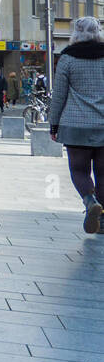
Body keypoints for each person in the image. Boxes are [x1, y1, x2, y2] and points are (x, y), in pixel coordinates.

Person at [48, 18, 104, 234]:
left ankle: (90, 202)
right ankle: (103, 221)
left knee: (79, 170)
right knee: (103, 173)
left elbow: (59, 95)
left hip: (76, 124)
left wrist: (54, 125)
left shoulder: (68, 57)